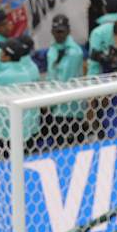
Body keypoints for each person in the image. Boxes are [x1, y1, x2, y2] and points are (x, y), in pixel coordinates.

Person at [44, 14, 87, 148]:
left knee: (72, 147)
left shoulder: (74, 52)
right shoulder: (52, 50)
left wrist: (49, 101)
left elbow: (65, 81)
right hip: (55, 108)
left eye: (61, 31)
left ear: (68, 31)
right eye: (56, 32)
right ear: (52, 32)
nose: (59, 35)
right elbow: (51, 76)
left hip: (71, 108)